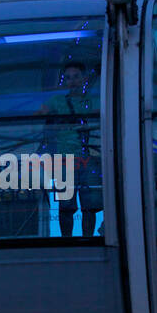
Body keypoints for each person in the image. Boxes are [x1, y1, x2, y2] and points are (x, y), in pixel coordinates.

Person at [42, 61, 102, 238]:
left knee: (89, 206)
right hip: (65, 159)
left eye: (76, 76)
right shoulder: (56, 101)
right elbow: (38, 115)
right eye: (68, 78)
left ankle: (87, 240)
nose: (72, 81)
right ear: (64, 81)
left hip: (88, 157)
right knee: (66, 206)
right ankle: (67, 241)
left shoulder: (93, 101)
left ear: (84, 79)